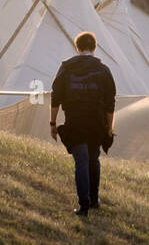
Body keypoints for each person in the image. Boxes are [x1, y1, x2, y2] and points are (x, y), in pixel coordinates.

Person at [50, 31, 116, 217]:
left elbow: (56, 98)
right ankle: (94, 199)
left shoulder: (66, 68)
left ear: (77, 47)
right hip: (96, 121)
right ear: (94, 47)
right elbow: (110, 103)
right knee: (93, 158)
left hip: (75, 119)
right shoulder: (103, 70)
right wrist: (109, 129)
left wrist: (52, 122)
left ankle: (83, 205)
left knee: (81, 161)